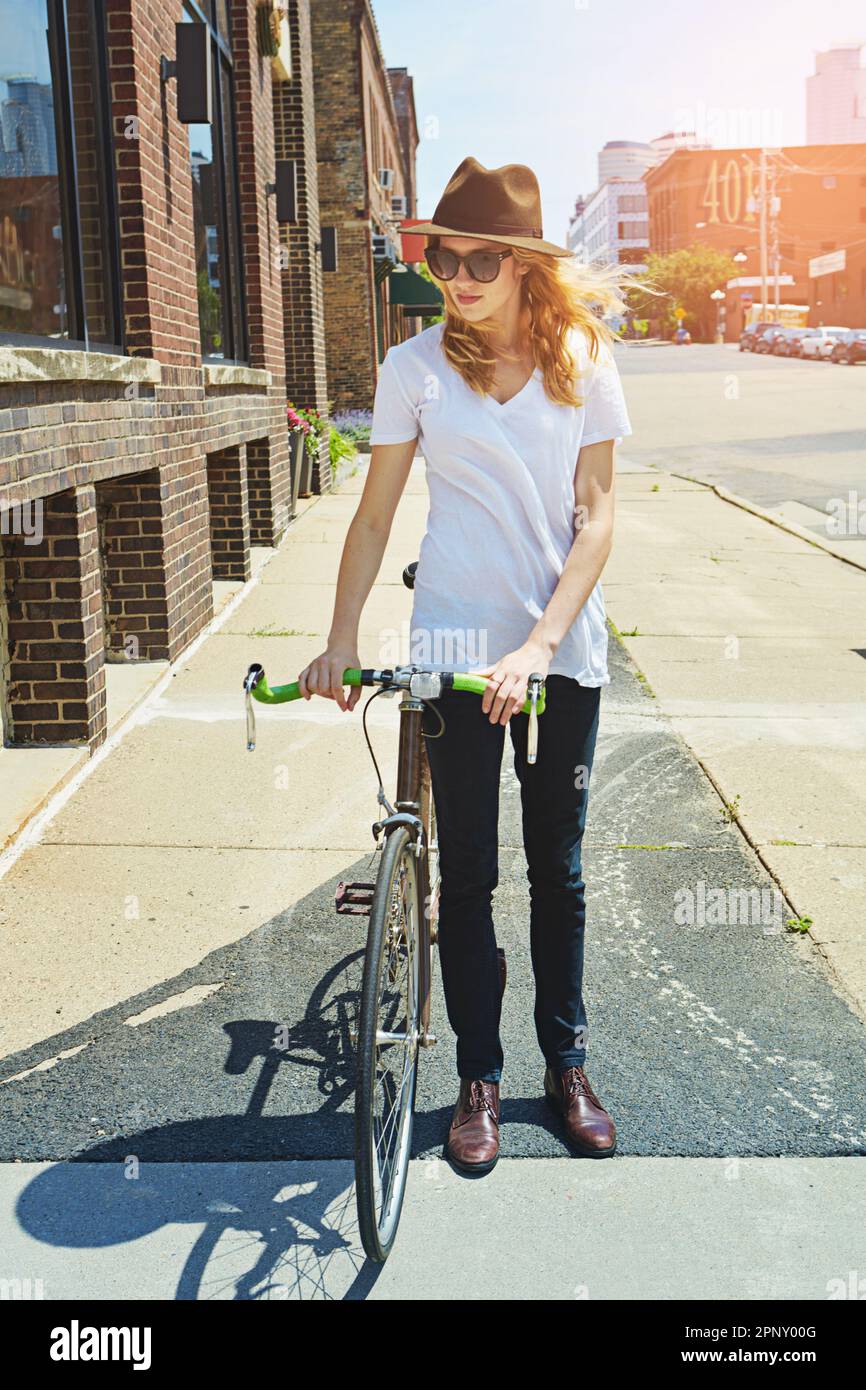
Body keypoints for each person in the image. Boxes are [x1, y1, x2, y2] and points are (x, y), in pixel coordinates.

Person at [298, 156, 634, 1173]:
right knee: (470, 876)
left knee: (558, 873)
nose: (458, 277)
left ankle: (567, 1066)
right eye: (444, 258)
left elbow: (597, 521)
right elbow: (372, 517)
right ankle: (476, 1079)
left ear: (525, 264)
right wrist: (341, 637)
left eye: (481, 260)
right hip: (449, 648)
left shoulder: (583, 358)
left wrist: (538, 646)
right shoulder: (413, 368)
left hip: (558, 654)